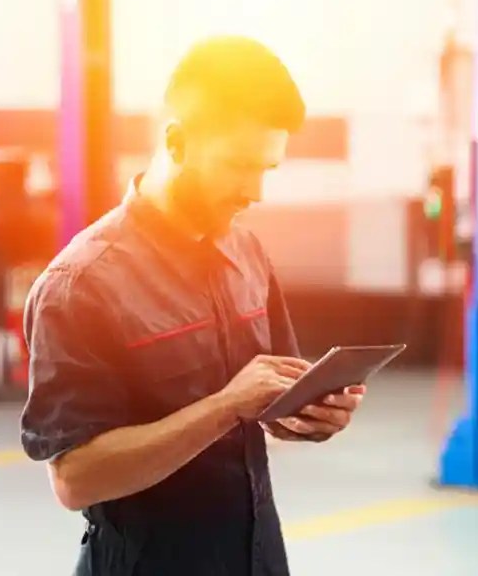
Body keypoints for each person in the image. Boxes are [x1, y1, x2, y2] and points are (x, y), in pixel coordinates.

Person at [19, 35, 365, 575]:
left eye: (266, 170)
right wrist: (225, 406)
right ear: (176, 143)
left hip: (256, 559)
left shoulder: (246, 252)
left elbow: (270, 403)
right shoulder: (81, 284)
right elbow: (75, 477)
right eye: (238, 166)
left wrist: (313, 414)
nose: (256, 192)